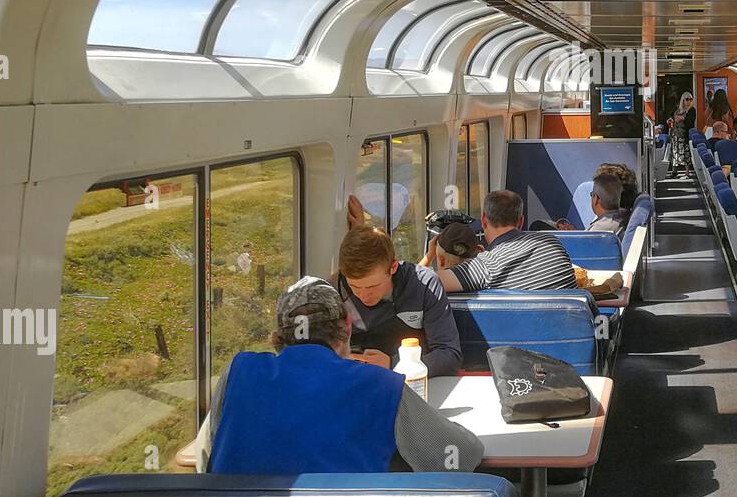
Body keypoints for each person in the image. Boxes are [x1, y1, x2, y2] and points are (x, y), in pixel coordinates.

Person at [203, 276, 483, 474]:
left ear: (277, 335)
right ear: (347, 327)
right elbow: (459, 457)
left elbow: (208, 457)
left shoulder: (237, 372)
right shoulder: (380, 384)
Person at [337, 224, 462, 376]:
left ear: (393, 267)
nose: (363, 295)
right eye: (354, 286)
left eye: (373, 286)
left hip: (412, 382)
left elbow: (450, 355)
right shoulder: (333, 290)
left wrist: (392, 363)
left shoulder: (423, 285)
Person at [429, 190, 578, 293]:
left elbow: (427, 282)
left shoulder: (486, 266)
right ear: (520, 222)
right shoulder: (553, 243)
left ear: (483, 220)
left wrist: (429, 257)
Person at [667, 91, 696, 177]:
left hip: (685, 134)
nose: (689, 101)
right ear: (683, 100)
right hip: (675, 134)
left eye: (691, 99)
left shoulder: (691, 110)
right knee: (675, 153)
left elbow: (691, 122)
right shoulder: (677, 109)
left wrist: (683, 118)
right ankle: (674, 171)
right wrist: (670, 120)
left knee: (686, 154)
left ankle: (687, 172)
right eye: (687, 99)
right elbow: (671, 117)